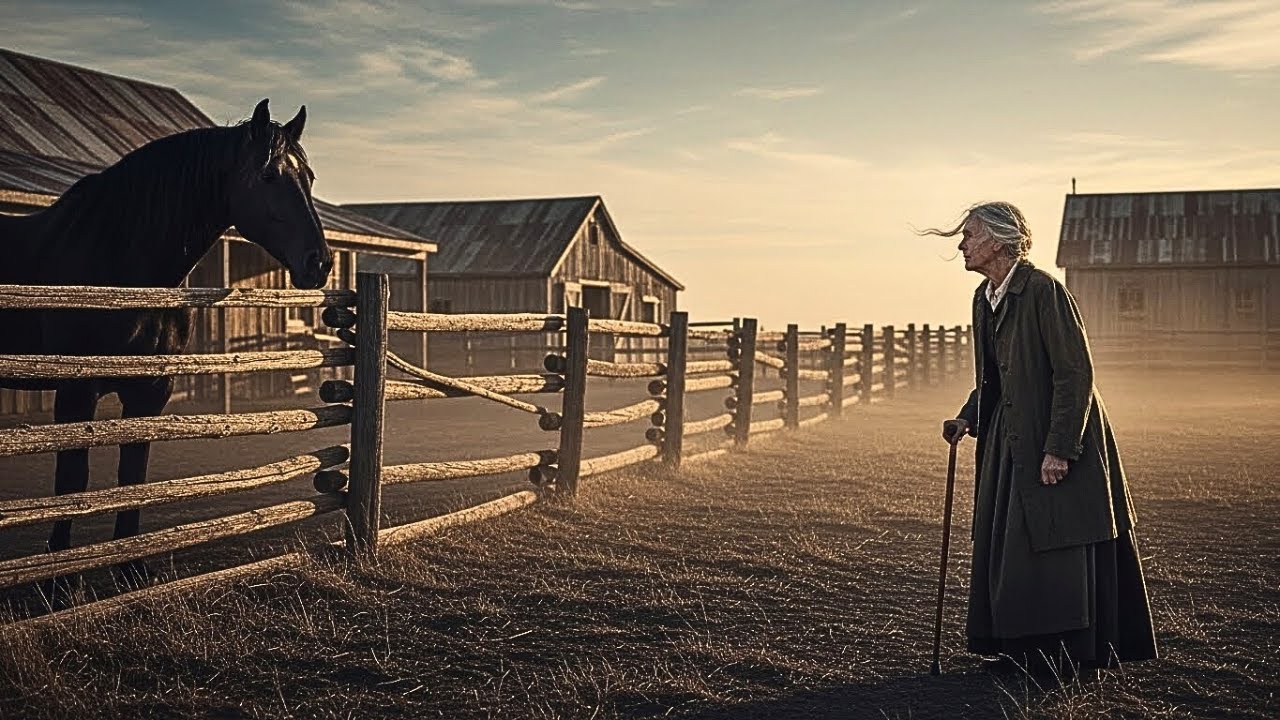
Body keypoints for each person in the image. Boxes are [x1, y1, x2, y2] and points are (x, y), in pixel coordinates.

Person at [929, 201, 1157, 679]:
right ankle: (1015, 645)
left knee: (1057, 541)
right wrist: (968, 417)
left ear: (997, 238)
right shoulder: (983, 297)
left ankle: (1063, 651)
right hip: (1007, 440)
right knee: (1006, 542)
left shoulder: (1043, 292)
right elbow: (995, 376)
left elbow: (1075, 374)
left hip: (1054, 437)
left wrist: (1059, 448)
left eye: (968, 234)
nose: (962, 244)